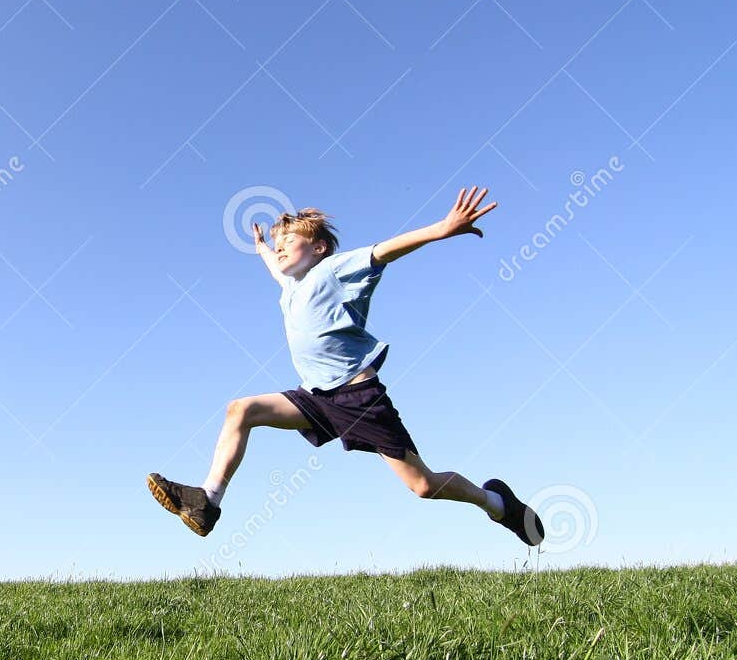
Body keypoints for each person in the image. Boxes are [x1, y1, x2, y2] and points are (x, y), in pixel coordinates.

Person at [147, 186, 545, 546]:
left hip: (358, 397)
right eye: (278, 243)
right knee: (241, 410)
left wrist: (441, 228)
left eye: (290, 241)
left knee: (422, 485)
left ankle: (497, 503)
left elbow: (384, 250)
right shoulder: (293, 286)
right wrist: (262, 248)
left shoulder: (334, 271)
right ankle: (207, 501)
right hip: (316, 399)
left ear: (319, 248)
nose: (280, 247)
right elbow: (276, 268)